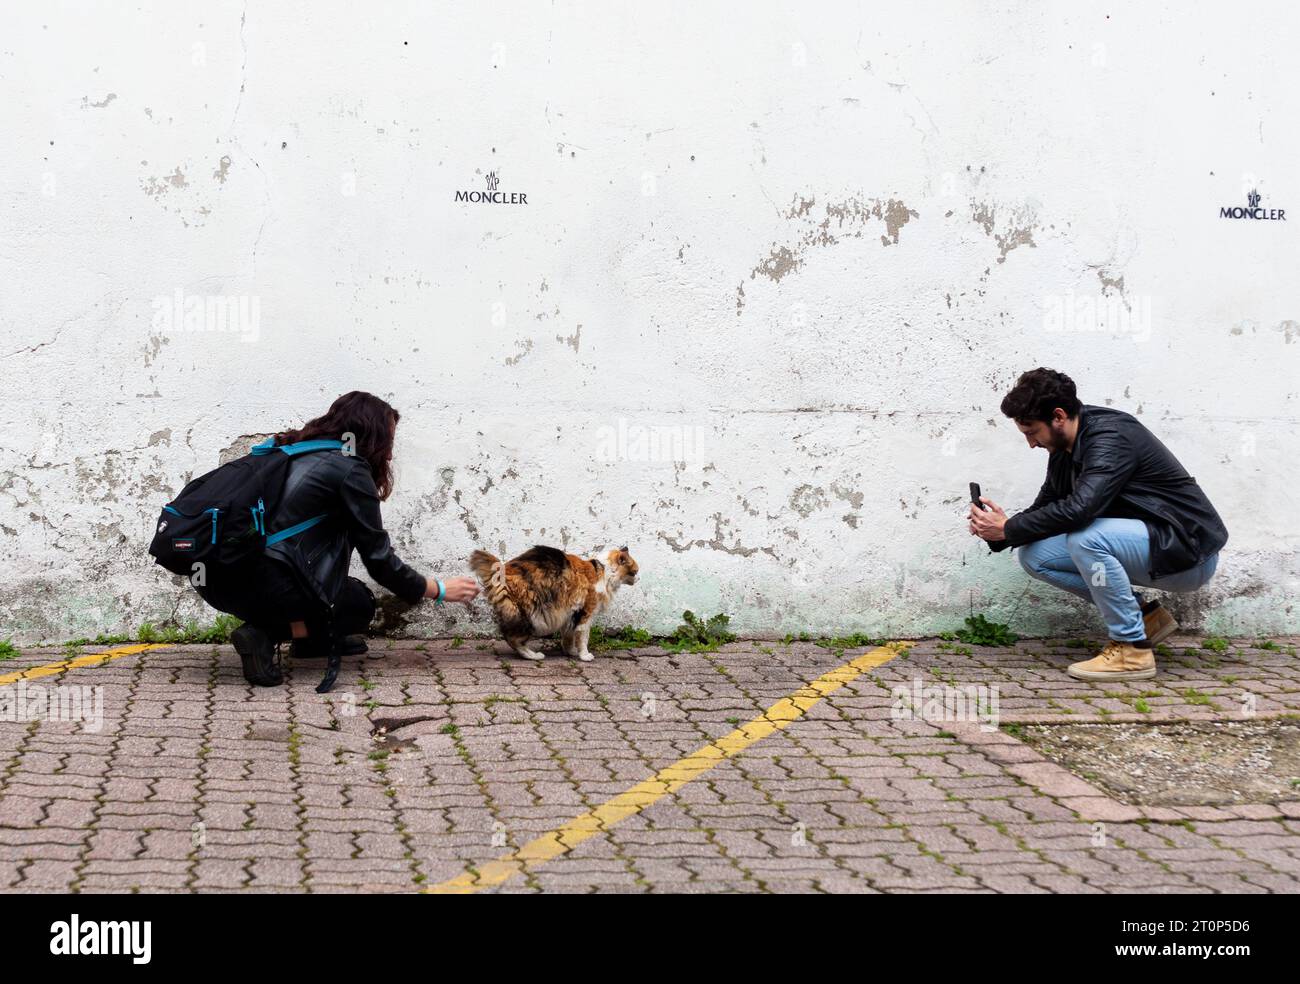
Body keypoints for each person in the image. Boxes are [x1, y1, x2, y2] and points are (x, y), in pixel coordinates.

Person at [193, 391, 479, 691]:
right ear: (369, 437)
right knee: (356, 604)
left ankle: (310, 641)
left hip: (216, 581)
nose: (390, 455)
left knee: (337, 586)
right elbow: (379, 561)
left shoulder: (289, 450)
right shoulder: (350, 470)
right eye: (387, 443)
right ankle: (267, 634)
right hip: (269, 587)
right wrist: (439, 589)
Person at [968, 368, 1227, 681]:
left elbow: (1081, 510)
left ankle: (1132, 651)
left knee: (1086, 537)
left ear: (1059, 416)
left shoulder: (1111, 437)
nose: (1031, 444)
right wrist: (997, 532)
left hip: (1186, 550)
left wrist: (1009, 529)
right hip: (1150, 545)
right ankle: (1145, 620)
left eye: (1032, 432)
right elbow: (1047, 506)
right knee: (1035, 555)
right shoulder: (1065, 448)